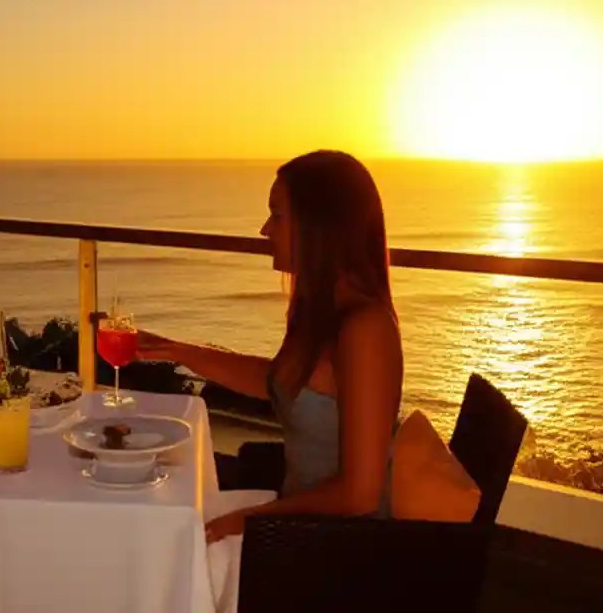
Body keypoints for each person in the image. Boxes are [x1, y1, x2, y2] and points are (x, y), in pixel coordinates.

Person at [137, 150, 404, 542]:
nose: (265, 230)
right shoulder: (321, 310)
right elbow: (280, 381)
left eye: (277, 216)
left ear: (319, 227)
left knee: (172, 539)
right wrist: (180, 351)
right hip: (293, 522)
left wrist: (249, 520)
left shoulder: (366, 330)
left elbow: (360, 495)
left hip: (340, 547)